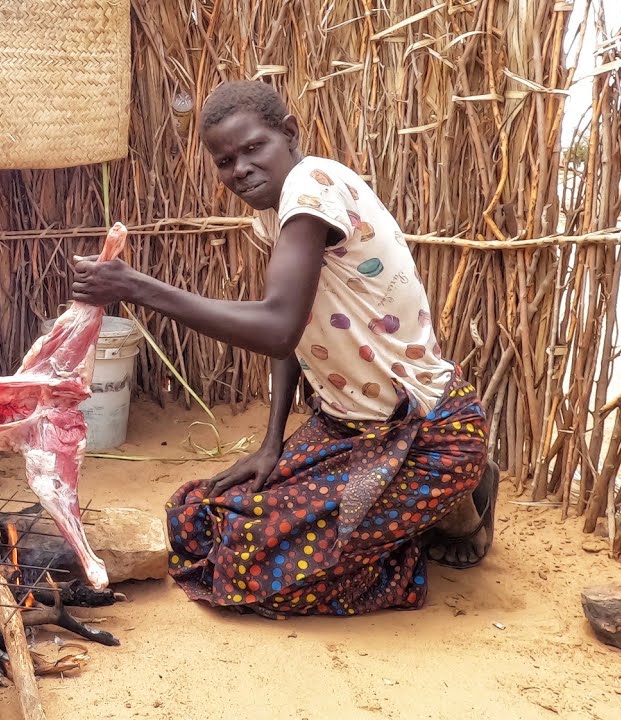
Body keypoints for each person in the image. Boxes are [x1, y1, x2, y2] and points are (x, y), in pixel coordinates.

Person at [70, 81, 497, 617]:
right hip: (348, 430)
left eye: (253, 148)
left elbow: (274, 327)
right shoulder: (278, 213)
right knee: (203, 517)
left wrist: (136, 288)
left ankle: (457, 501)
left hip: (427, 433)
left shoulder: (311, 187)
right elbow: (294, 330)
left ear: (289, 132)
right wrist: (272, 443)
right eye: (225, 161)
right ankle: (391, 521)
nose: (240, 169)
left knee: (253, 572)